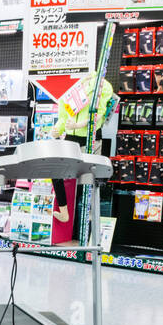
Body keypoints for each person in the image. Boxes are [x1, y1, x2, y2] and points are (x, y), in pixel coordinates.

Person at [49, 70, 115, 217]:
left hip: (90, 138)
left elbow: (99, 115)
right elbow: (63, 116)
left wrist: (78, 125)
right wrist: (57, 130)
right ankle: (64, 211)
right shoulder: (70, 86)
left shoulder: (102, 85)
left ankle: (90, 216)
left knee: (87, 179)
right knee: (55, 171)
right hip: (71, 138)